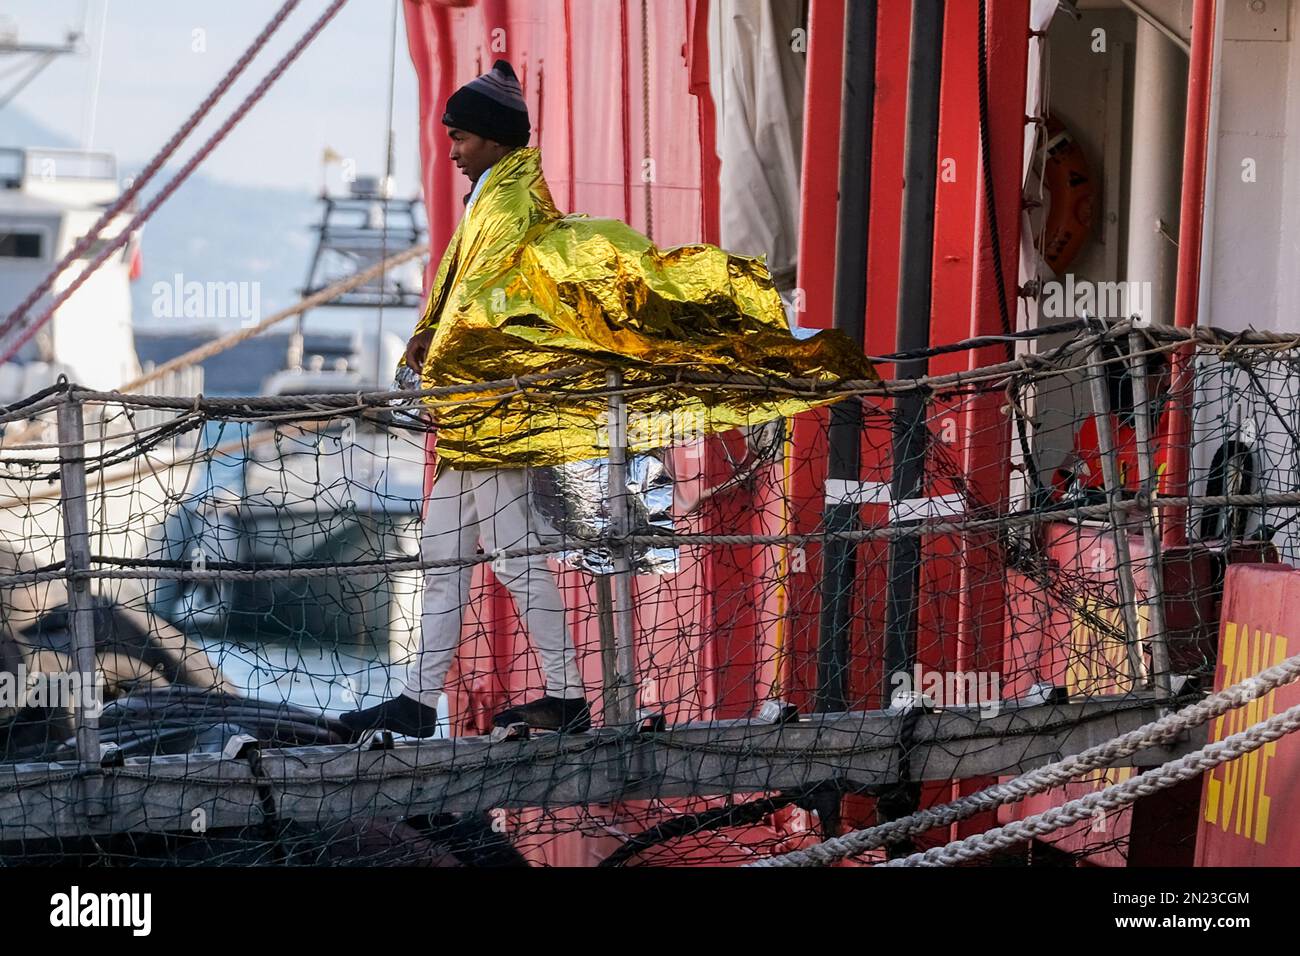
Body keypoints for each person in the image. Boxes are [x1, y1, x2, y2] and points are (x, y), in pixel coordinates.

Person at [340, 60, 589, 741]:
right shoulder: (497, 195)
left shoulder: (508, 206)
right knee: (442, 560)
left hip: (494, 414)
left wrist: (437, 359)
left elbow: (488, 308)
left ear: (496, 139)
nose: (451, 152)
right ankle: (418, 703)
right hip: (472, 414)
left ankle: (568, 698)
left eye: (463, 139)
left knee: (512, 558)